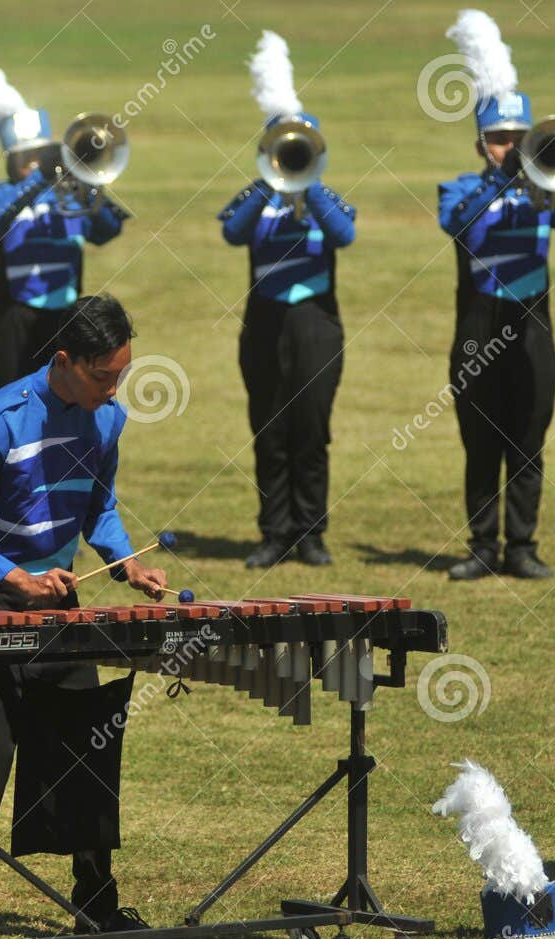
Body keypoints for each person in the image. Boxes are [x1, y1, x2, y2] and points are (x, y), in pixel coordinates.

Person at [0, 293, 164, 939]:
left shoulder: (104, 422)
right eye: (103, 376)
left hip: (62, 608)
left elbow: (98, 508)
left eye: (121, 375)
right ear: (64, 361)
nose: (115, 389)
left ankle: (96, 904)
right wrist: (13, 577)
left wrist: (125, 563)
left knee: (87, 748)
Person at [438, 10, 555, 580]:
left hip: (533, 326)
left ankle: (523, 546)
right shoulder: (462, 188)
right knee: (480, 439)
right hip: (477, 326)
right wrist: (497, 183)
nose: (508, 149)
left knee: (528, 437)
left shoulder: (546, 188)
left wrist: (549, 189)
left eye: (517, 139)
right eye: (498, 140)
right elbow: (453, 221)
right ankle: (482, 545)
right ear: (480, 143)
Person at [222, 32, 353, 569]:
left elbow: (343, 234)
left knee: (311, 427)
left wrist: (312, 182)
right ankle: (274, 531)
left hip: (316, 321)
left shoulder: (328, 196)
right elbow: (233, 233)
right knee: (269, 427)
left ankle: (311, 532)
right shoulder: (258, 195)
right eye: (285, 149)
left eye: (299, 150)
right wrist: (265, 181)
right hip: (265, 320)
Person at [0, 42, 127, 389]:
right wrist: (38, 179)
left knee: (68, 406)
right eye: (25, 158)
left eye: (40, 156)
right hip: (15, 319)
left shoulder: (72, 192)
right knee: (14, 404)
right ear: (9, 161)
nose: (33, 164)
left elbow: (108, 230)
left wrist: (89, 184)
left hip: (67, 318)